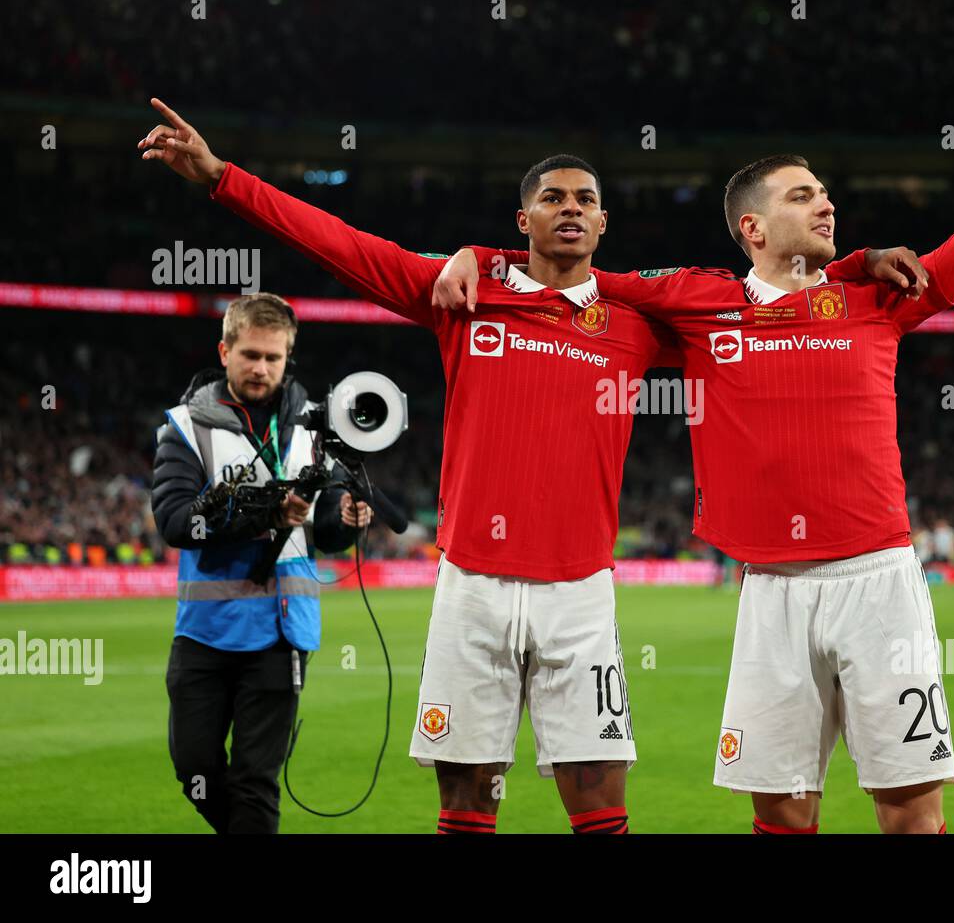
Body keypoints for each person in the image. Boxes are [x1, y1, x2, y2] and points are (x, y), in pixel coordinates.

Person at [440, 46, 954, 833]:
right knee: (782, 814)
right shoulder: (696, 303)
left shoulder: (879, 297)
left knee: (912, 813)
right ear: (752, 226)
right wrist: (479, 255)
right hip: (770, 593)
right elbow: (565, 265)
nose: (826, 206)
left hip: (879, 581)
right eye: (802, 196)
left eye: (825, 194)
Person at [138, 100, 705, 833]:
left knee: (599, 798)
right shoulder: (464, 296)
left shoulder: (631, 322)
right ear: (522, 220)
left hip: (581, 591)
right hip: (472, 584)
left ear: (602, 226)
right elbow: (341, 245)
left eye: (587, 201)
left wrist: (851, 268)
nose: (571, 208)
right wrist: (222, 178)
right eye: (552, 197)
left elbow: (746, 303)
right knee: (466, 798)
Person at [150, 293, 372, 833]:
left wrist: (345, 518)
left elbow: (324, 533)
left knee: (255, 779)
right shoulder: (186, 428)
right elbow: (177, 523)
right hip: (205, 633)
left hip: (281, 632)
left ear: (287, 358)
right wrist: (268, 515)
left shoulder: (315, 429)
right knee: (195, 768)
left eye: (273, 358)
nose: (261, 368)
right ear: (224, 351)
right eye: (250, 355)